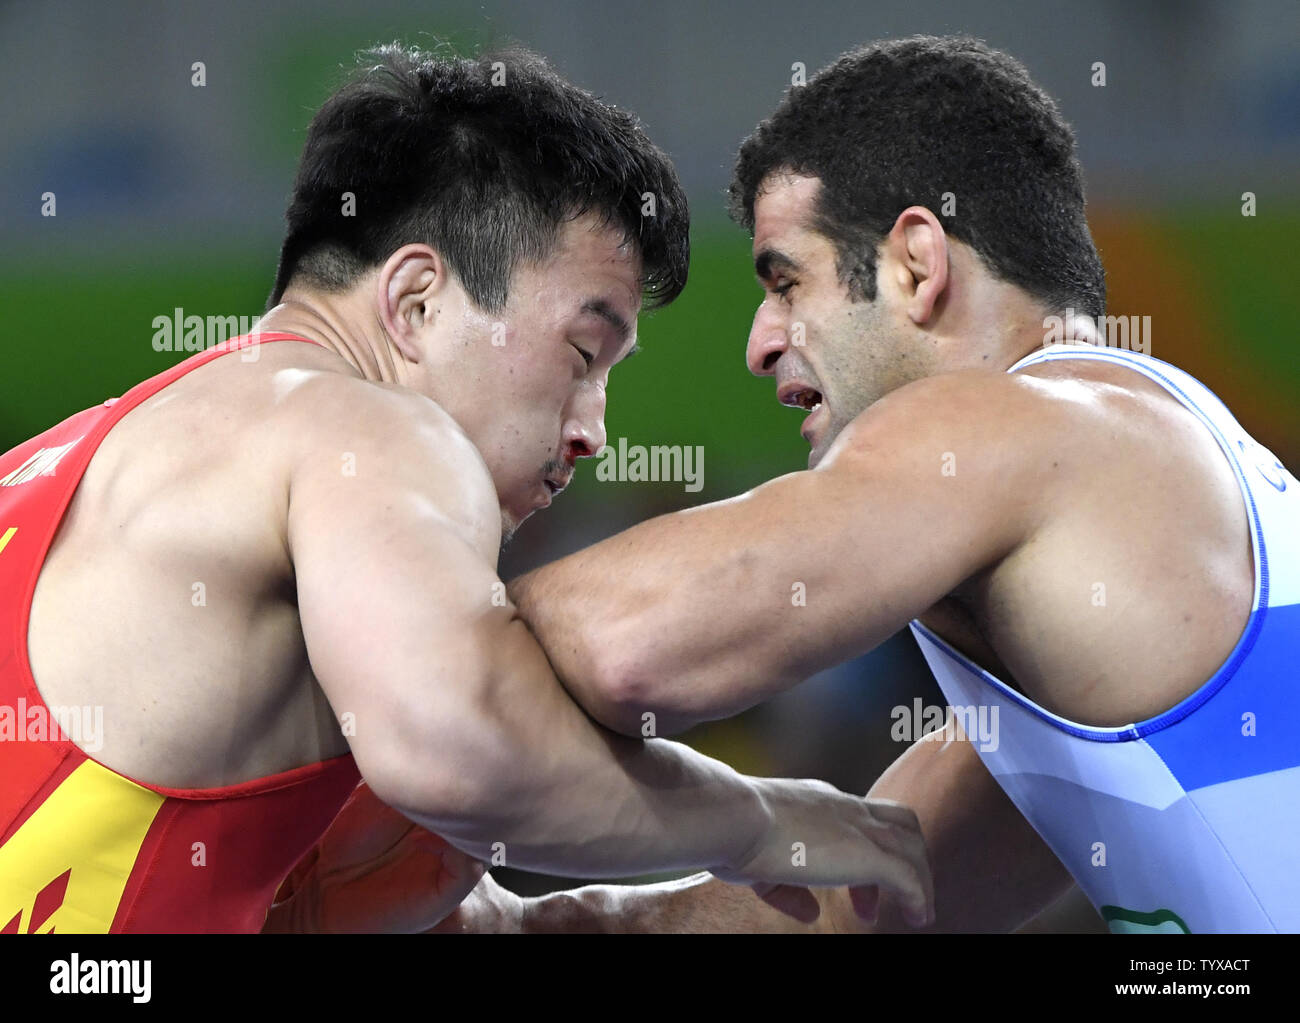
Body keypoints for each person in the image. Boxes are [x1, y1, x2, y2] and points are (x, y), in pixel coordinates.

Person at [294, 35, 1298, 934]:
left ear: (915, 264)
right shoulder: (1120, 519)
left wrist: (334, 663)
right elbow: (855, 908)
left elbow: (623, 647)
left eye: (785, 283)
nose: (758, 343)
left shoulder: (1018, 424)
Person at [0, 43, 936, 934]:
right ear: (415, 303)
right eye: (581, 352)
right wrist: (769, 820)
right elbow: (467, 749)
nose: (593, 431)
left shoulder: (76, 462)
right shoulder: (359, 427)